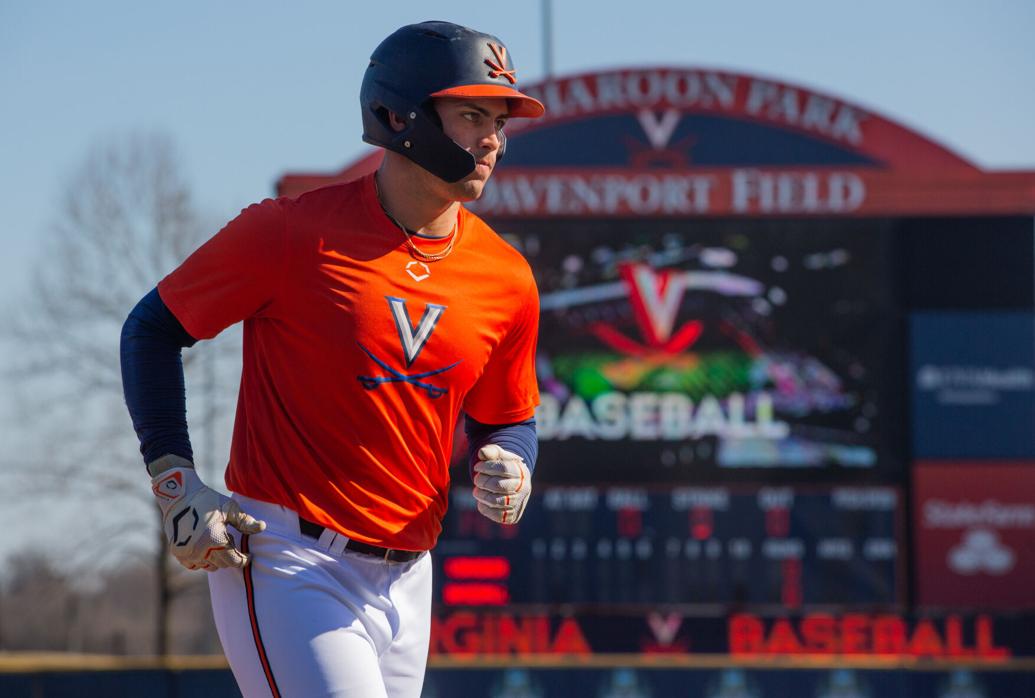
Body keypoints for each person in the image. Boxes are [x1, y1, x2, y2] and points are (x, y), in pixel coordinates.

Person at [120, 20, 544, 698]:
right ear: (399, 114)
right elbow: (150, 329)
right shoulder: (288, 234)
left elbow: (508, 419)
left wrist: (516, 459)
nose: (492, 137)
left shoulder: (506, 277)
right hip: (291, 557)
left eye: (498, 119)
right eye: (471, 115)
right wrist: (173, 477)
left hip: (410, 577)